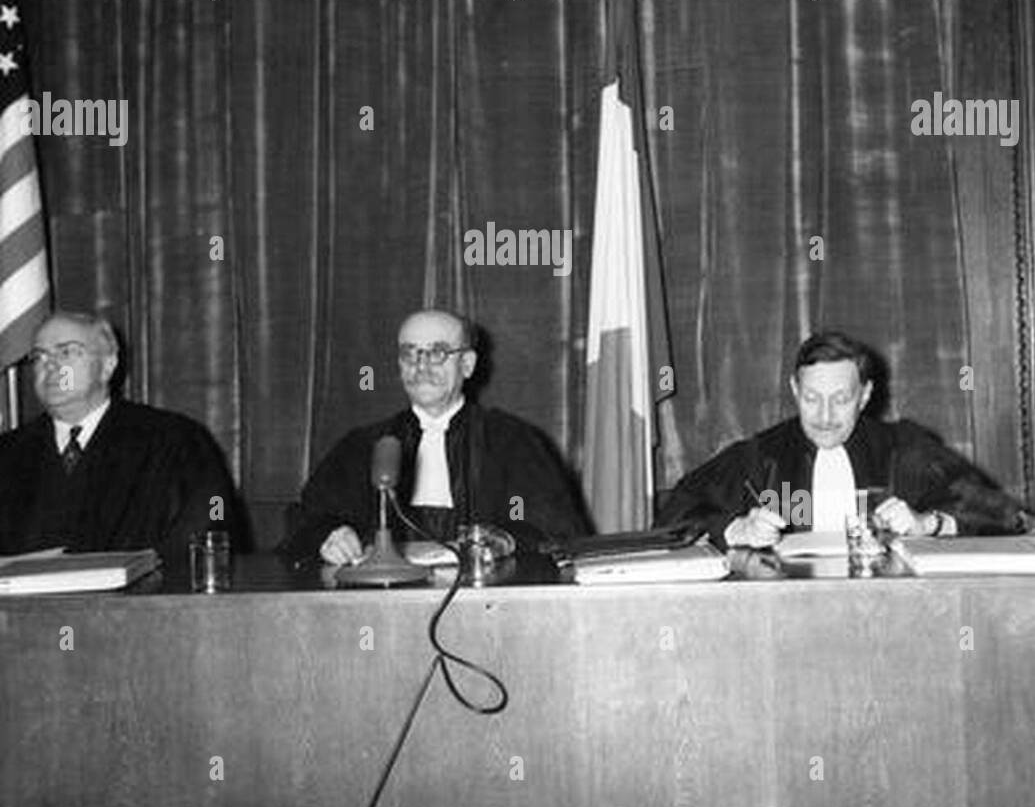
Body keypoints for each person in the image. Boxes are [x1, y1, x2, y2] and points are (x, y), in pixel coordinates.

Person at [656, 330, 1030, 550]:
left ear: (865, 395)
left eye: (841, 399)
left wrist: (928, 524)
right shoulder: (759, 456)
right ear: (794, 389)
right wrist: (735, 529)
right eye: (811, 398)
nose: (824, 416)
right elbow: (674, 513)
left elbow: (1008, 516)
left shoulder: (904, 447)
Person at [280, 308, 590, 565]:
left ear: (467, 365)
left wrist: (501, 541)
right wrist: (330, 535)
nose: (421, 366)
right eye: (409, 353)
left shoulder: (511, 441)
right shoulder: (364, 444)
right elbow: (307, 520)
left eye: (438, 353)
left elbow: (555, 531)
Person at [0, 310, 243, 560]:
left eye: (67, 352)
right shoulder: (8, 453)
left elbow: (216, 512)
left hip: (148, 595)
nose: (50, 366)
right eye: (39, 356)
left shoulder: (175, 440)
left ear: (107, 365)